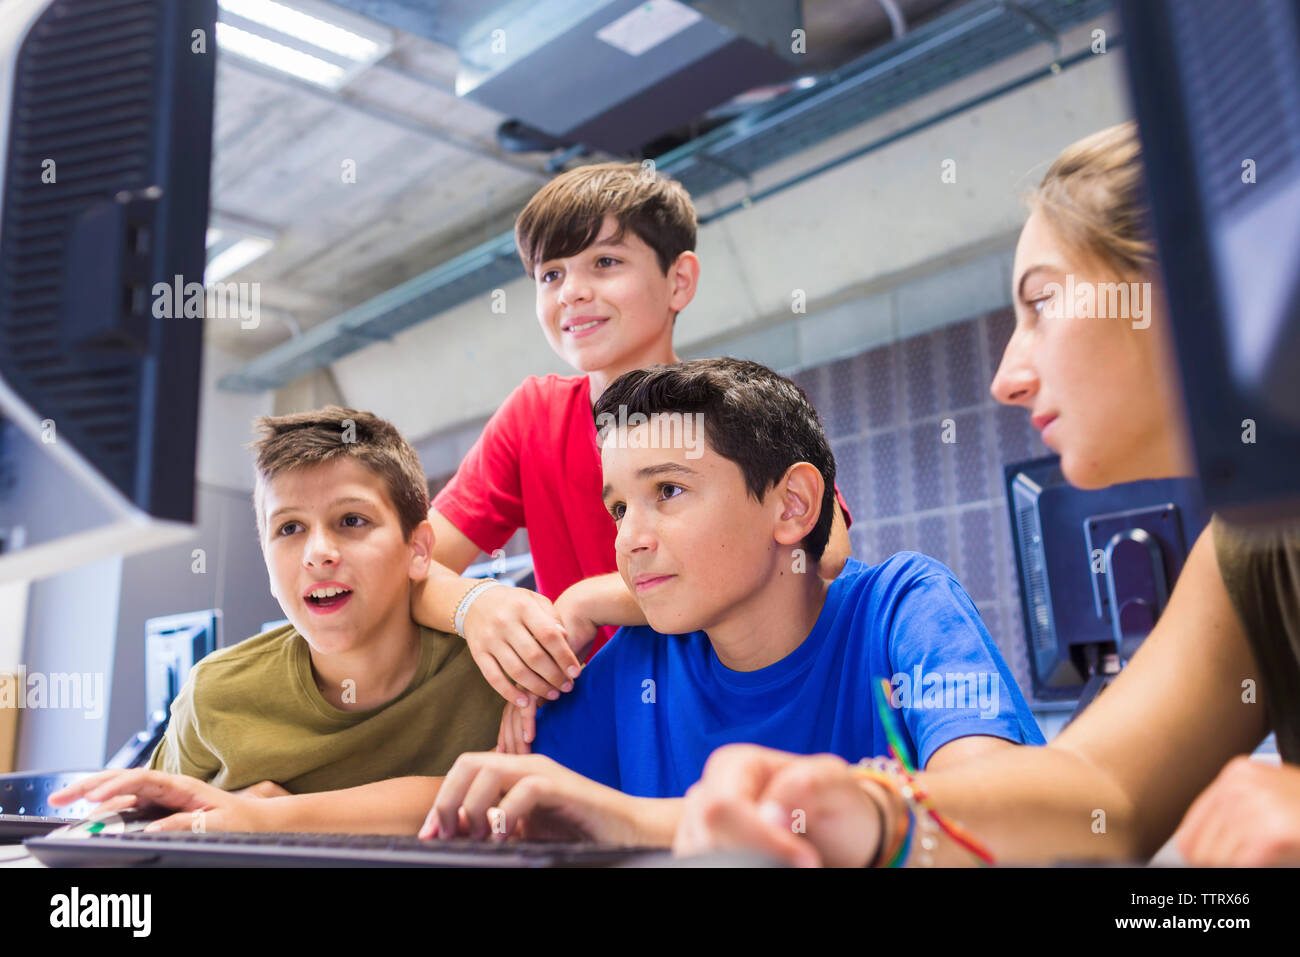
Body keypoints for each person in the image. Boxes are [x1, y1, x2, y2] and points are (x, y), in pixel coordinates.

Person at [50, 359, 1042, 843]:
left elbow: (1013, 812)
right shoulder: (624, 669)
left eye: (668, 494)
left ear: (789, 506)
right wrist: (261, 816)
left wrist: (640, 818)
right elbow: (476, 804)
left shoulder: (905, 606)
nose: (631, 534)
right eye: (618, 504)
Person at [672, 122, 1300, 867]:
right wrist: (872, 810)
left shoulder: (903, 594)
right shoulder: (1255, 544)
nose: (1008, 378)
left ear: (1203, 280)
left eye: (1041, 304)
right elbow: (1102, 789)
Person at [407, 163, 853, 731]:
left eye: (605, 263)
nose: (572, 292)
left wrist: (593, 600)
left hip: (731, 710)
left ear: (679, 281)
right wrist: (476, 606)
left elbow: (823, 552)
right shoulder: (532, 417)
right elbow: (412, 571)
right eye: (550, 275)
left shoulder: (734, 406)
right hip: (590, 725)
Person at [60, 407, 502, 799]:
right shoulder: (215, 697)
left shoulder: (494, 672)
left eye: (352, 520)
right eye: (290, 529)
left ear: (420, 550)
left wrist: (276, 820)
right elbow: (153, 829)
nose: (318, 552)